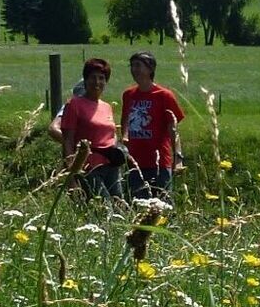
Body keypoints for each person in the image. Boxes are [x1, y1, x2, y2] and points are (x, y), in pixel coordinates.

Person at [53, 57, 125, 198]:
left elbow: (111, 134)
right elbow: (68, 142)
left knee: (119, 208)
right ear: (85, 80)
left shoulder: (107, 107)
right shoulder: (74, 105)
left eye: (101, 78)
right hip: (88, 168)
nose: (97, 82)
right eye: (93, 78)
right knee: (104, 209)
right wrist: (71, 177)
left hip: (111, 167)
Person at [119, 51, 185, 198]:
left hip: (159, 162)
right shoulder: (128, 95)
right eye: (132, 66)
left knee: (162, 204)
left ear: (150, 69)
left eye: (138, 65)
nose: (134, 70)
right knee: (137, 206)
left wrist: (178, 158)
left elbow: (173, 129)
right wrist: (124, 140)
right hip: (134, 162)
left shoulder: (164, 95)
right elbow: (124, 123)